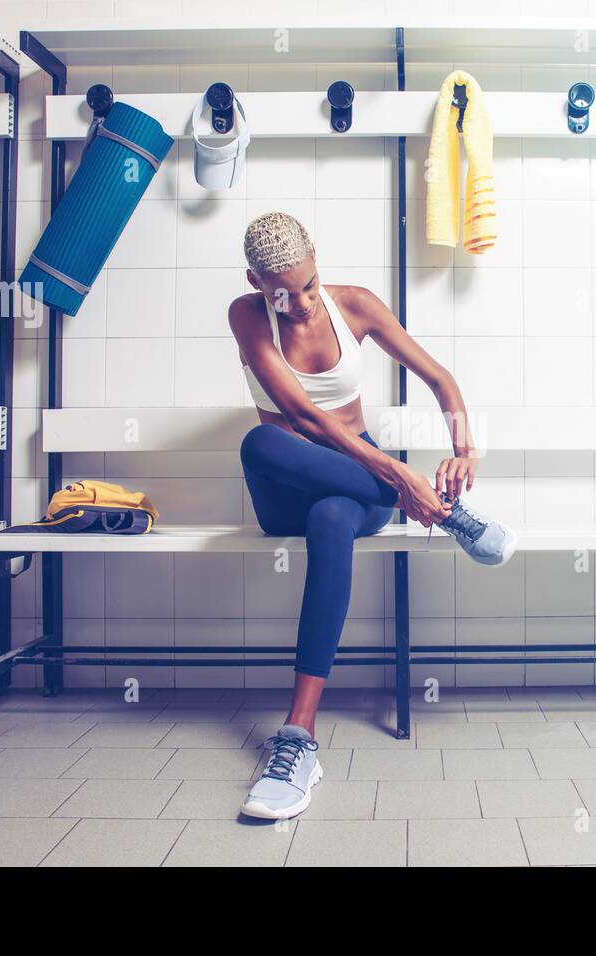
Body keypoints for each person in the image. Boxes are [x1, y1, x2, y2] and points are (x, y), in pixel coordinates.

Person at [230, 211, 516, 819]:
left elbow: (441, 378)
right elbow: (305, 421)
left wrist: (465, 450)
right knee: (260, 442)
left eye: (310, 285)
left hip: (354, 496)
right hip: (291, 490)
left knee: (333, 519)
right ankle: (441, 514)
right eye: (284, 292)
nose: (302, 303)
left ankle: (298, 736)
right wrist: (403, 477)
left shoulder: (355, 306)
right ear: (257, 283)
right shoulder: (246, 315)